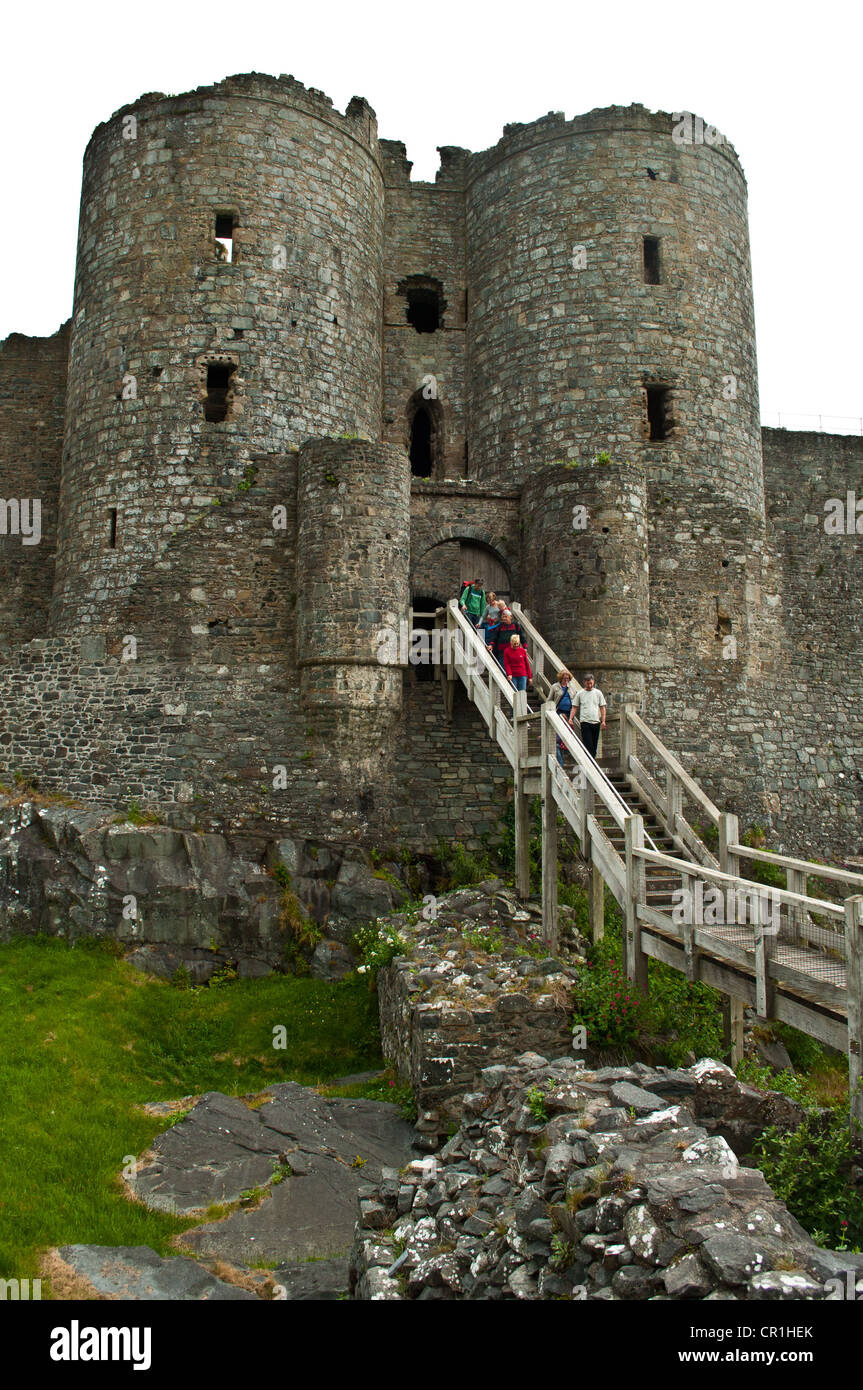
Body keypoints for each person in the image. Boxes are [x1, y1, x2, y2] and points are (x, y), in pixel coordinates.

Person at [573, 672, 607, 759]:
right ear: (584, 682)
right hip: (585, 721)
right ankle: (590, 761)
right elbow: (575, 707)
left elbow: (602, 707)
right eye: (588, 683)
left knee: (594, 744)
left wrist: (603, 721)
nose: (590, 685)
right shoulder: (580, 693)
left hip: (596, 721)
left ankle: (592, 760)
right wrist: (570, 718)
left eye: (591, 683)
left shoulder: (598, 693)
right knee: (588, 744)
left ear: (593, 682)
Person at [547, 668, 576, 766]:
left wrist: (572, 716)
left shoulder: (572, 687)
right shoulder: (555, 686)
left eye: (567, 678)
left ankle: (560, 755)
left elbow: (575, 700)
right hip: (559, 712)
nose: (566, 680)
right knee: (558, 738)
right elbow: (549, 700)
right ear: (561, 678)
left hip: (569, 714)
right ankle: (560, 763)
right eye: (564, 678)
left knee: (564, 738)